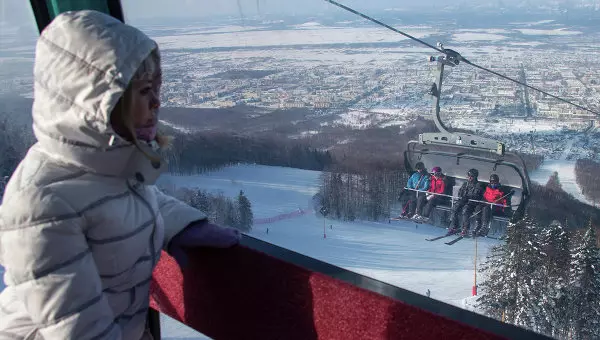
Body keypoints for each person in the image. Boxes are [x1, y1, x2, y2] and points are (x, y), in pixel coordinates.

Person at [0, 11, 241, 340]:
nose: (157, 102)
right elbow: (78, 330)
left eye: (157, 87)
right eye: (143, 91)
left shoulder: (101, 166)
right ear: (98, 104)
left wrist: (183, 223)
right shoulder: (42, 206)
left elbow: (125, 199)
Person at [449, 168, 484, 235]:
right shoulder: (465, 184)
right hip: (463, 201)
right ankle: (455, 226)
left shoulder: (478, 185)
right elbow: (460, 192)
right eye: (469, 176)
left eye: (472, 176)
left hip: (472, 203)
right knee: (454, 208)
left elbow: (477, 195)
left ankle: (466, 228)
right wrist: (462, 196)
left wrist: (468, 197)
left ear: (475, 177)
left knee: (465, 210)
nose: (470, 177)